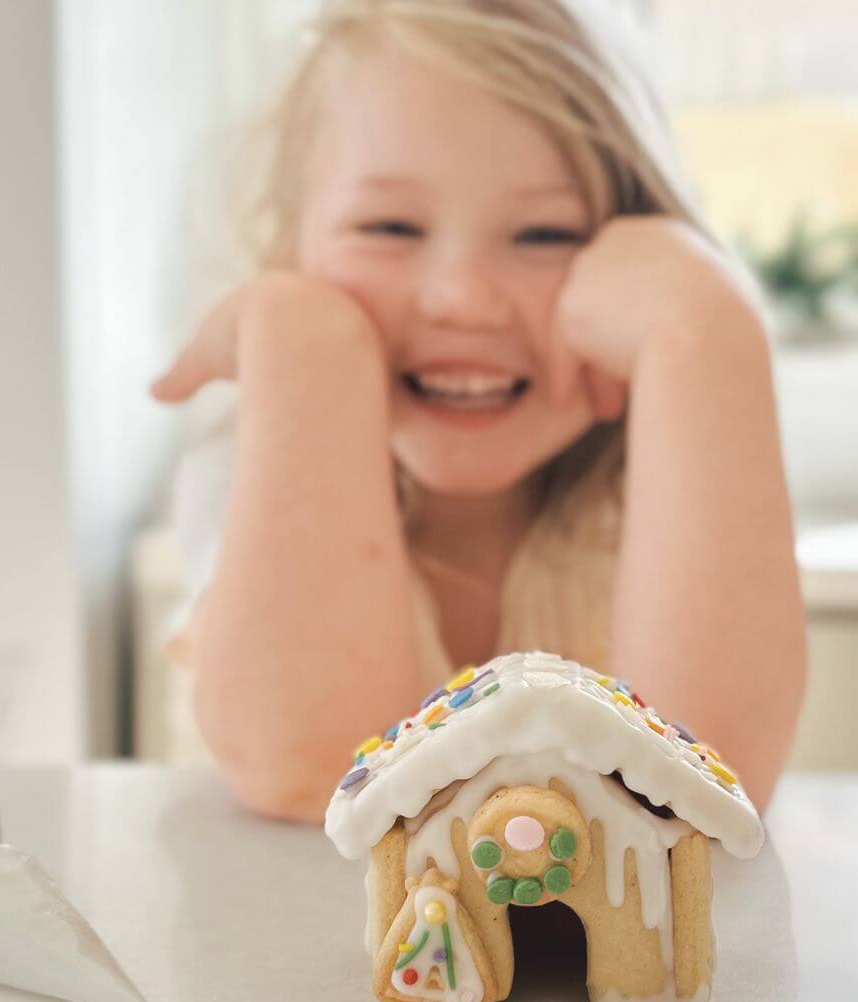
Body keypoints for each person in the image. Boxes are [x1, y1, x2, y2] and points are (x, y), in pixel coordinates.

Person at [148, 0, 806, 821]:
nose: (461, 299)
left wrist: (705, 337)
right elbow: (316, 774)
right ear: (290, 252)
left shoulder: (652, 486)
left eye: (543, 235)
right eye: (388, 226)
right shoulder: (247, 464)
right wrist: (302, 340)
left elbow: (702, 797)